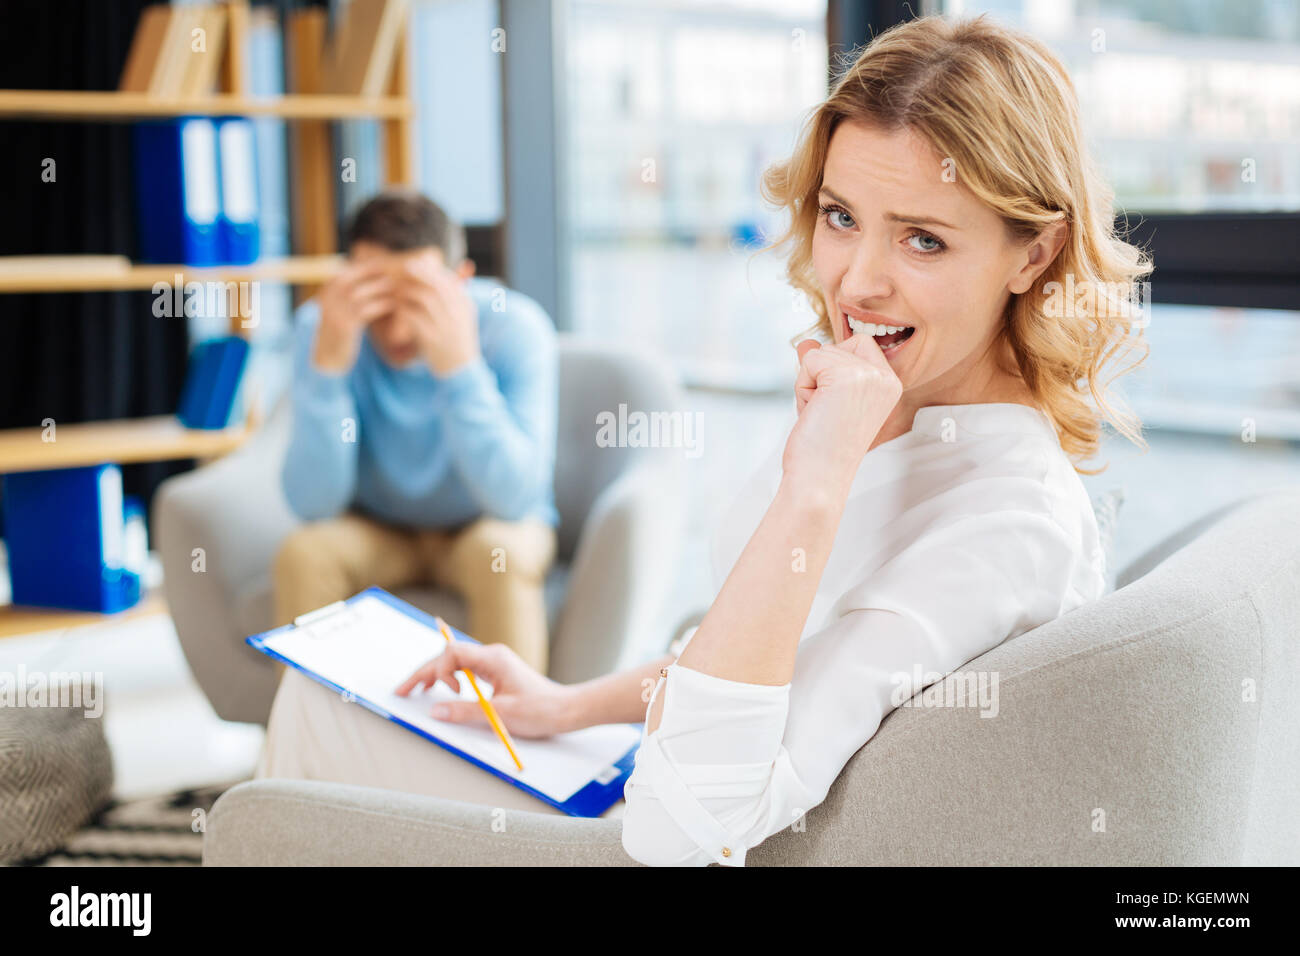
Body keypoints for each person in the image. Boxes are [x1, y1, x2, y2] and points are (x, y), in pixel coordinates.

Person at [257, 14, 1152, 865]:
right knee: (326, 692)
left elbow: (685, 824)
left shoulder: (1002, 521)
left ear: (1034, 256)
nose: (857, 281)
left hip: (673, 836)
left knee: (314, 728)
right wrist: (568, 706)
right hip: (644, 785)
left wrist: (815, 483)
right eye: (841, 217)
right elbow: (752, 665)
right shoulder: (894, 410)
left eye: (923, 240)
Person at [271, 189, 560, 674]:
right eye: (379, 302)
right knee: (305, 553)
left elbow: (513, 497)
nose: (399, 331)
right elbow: (312, 504)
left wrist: (460, 368)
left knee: (499, 553)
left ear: (461, 280)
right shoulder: (322, 328)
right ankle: (317, 745)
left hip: (485, 525)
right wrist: (328, 370)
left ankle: (510, 745)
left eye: (419, 301)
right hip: (380, 528)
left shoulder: (516, 329)